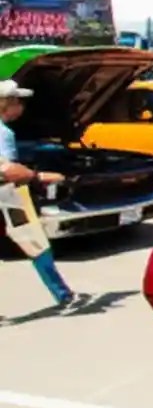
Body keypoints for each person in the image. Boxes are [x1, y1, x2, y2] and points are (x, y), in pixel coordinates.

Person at [0, 79, 80, 307]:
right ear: (8, 103)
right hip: (9, 197)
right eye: (20, 102)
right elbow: (8, 170)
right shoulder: (3, 133)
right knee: (36, 243)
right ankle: (63, 295)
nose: (23, 107)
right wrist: (40, 177)